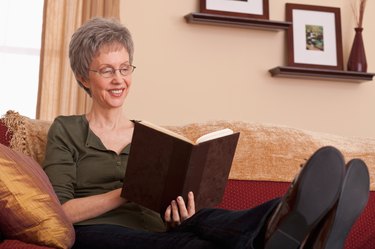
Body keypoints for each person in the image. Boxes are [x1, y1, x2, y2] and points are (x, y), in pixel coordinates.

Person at [43, 17, 370, 249]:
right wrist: (129, 191)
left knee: (204, 220)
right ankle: (295, 224)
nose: (119, 79)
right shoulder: (67, 130)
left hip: (163, 233)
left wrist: (178, 213)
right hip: (97, 235)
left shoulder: (151, 136)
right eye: (107, 70)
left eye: (125, 67)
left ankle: (290, 212)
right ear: (84, 77)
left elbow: (169, 216)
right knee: (195, 242)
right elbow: (61, 211)